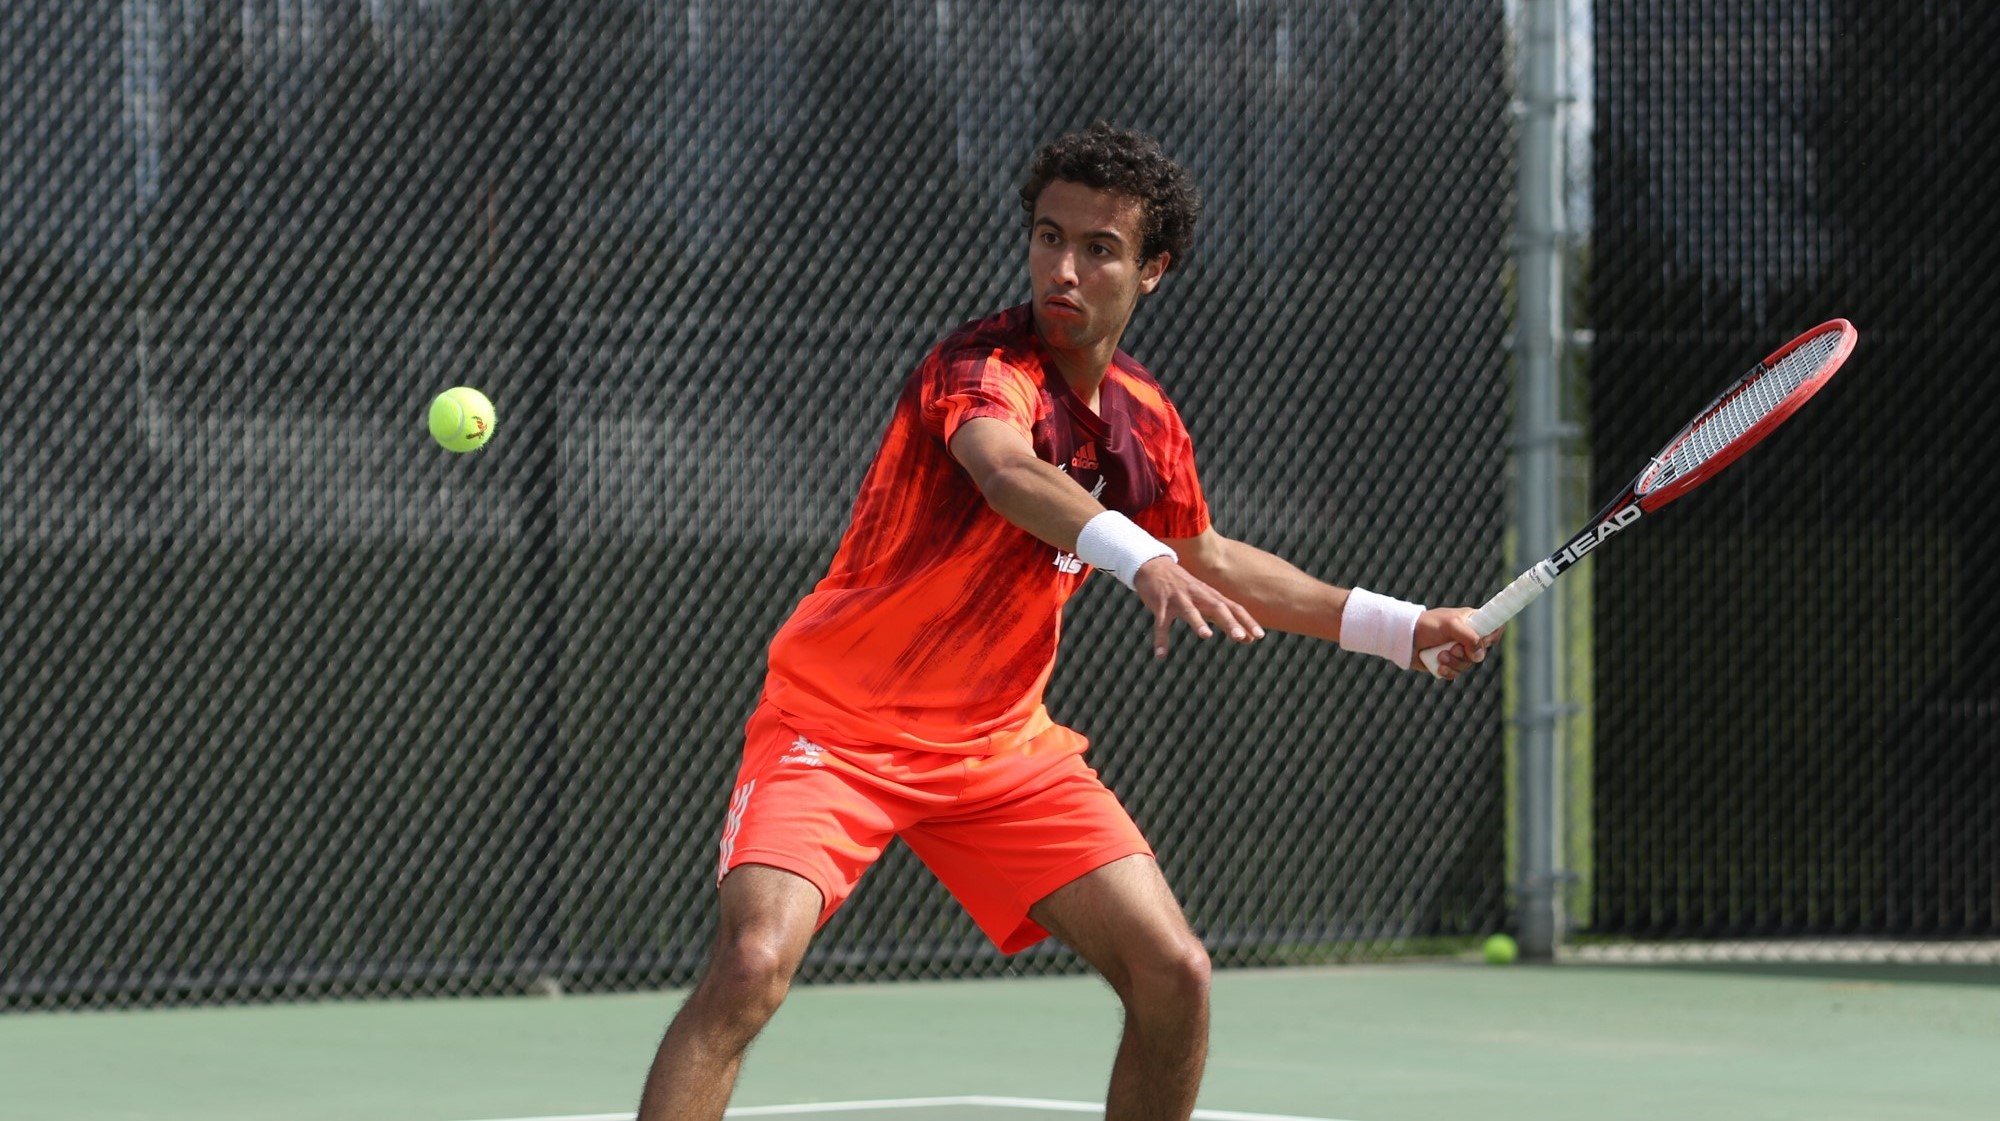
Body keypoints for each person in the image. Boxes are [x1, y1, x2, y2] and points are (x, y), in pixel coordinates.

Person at [633, 121, 1498, 1121]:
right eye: (1049, 237)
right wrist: (1138, 557)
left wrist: (1402, 627)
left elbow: (1213, 558)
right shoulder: (979, 365)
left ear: (1153, 270)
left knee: (1174, 971)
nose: (1065, 269)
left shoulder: (1144, 419)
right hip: (834, 730)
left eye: (1099, 248)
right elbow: (1007, 472)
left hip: (1000, 749)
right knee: (750, 963)